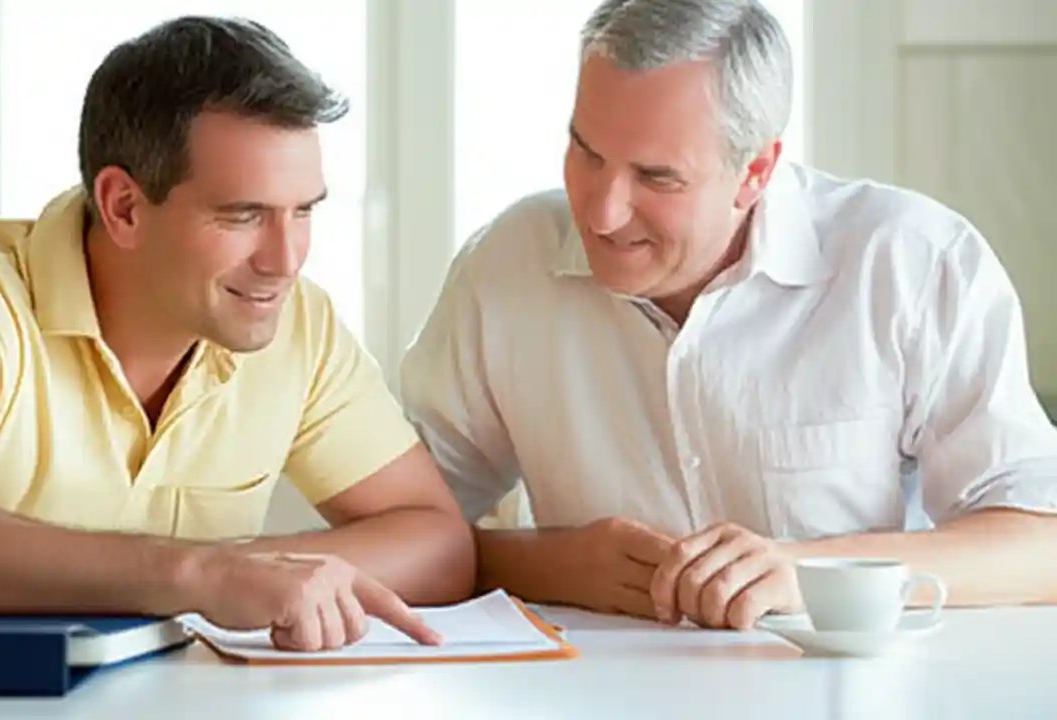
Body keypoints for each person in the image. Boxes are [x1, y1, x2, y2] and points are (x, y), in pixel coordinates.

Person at [0, 16, 474, 652]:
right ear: (124, 207)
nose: (286, 259)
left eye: (302, 212)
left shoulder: (299, 325)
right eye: (244, 216)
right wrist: (196, 575)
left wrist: (249, 569)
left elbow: (440, 544)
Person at [400, 0, 1057, 631]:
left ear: (756, 171)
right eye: (586, 152)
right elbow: (395, 529)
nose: (601, 213)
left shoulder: (913, 262)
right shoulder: (506, 267)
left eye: (656, 178)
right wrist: (552, 564)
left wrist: (804, 573)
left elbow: (1040, 546)